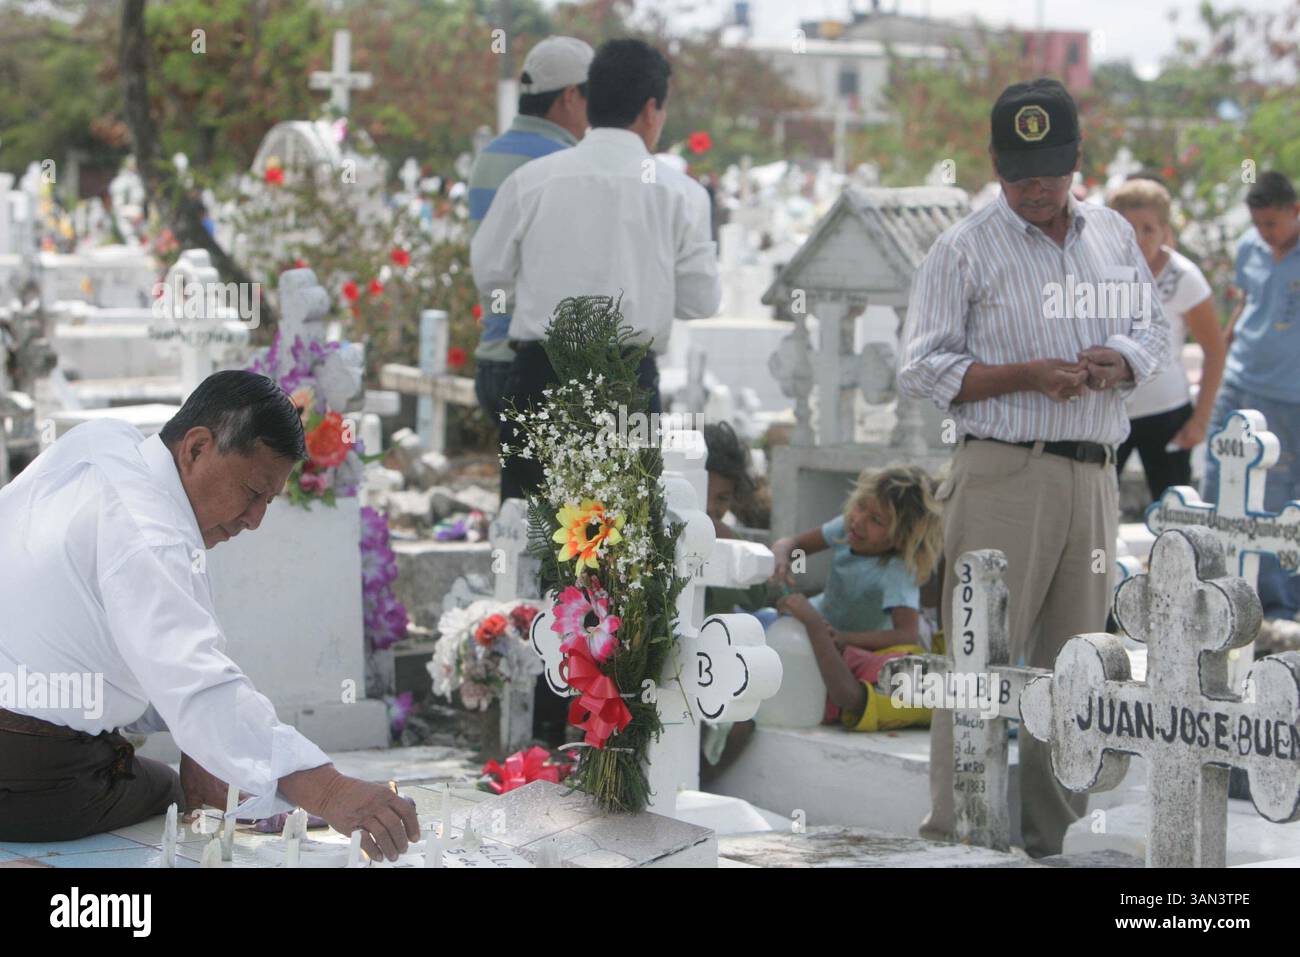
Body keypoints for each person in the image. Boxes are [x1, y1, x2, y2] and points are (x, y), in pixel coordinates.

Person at [898, 78, 1169, 857]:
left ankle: (1056, 839)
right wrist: (1025, 373)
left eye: (1050, 170)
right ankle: (956, 835)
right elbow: (921, 367)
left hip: (1093, 473)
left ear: (1077, 156)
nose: (1036, 189)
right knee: (979, 662)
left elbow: (1151, 323)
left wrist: (1119, 360)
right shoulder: (964, 247)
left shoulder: (1114, 234)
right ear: (993, 162)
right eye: (1019, 175)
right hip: (1005, 472)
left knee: (1075, 664)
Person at [0, 371, 419, 860]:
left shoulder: (103, 441)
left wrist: (205, 741)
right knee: (172, 795)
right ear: (196, 448)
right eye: (252, 491)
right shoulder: (151, 533)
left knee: (209, 757)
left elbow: (130, 657)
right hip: (29, 773)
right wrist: (330, 792)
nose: (254, 519)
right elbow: (200, 686)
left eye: (269, 501)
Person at [471, 37, 721, 501]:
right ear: (651, 109)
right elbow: (699, 301)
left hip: (540, 373)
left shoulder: (532, 181)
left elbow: (489, 274)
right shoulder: (680, 193)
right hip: (626, 384)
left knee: (528, 536)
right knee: (614, 551)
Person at [467, 36, 593, 423]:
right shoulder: (565, 164)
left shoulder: (488, 156)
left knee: (517, 484)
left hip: (492, 359)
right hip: (539, 364)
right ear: (571, 96)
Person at [769, 465, 942, 733]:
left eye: (876, 520)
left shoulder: (896, 571)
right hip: (822, 619)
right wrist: (786, 562)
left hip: (854, 646)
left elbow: (906, 634)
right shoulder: (849, 528)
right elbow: (795, 547)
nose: (859, 520)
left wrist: (844, 638)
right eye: (860, 506)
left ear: (900, 537)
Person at [1204, 170, 1300, 622]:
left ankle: (1275, 610)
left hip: (1288, 393)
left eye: (1273, 224)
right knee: (1216, 478)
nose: (1265, 233)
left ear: (1295, 210)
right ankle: (1210, 591)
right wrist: (1223, 351)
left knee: (1273, 501)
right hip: (1240, 381)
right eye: (1259, 224)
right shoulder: (1249, 246)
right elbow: (1246, 301)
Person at [1108, 177, 1225, 501]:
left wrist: (1200, 421)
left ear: (1163, 229)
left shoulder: (1184, 277)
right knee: (1097, 505)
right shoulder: (1097, 272)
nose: (1140, 238)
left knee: (1175, 509)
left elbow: (1214, 350)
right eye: (1130, 228)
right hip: (1109, 412)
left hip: (1166, 413)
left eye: (1149, 228)